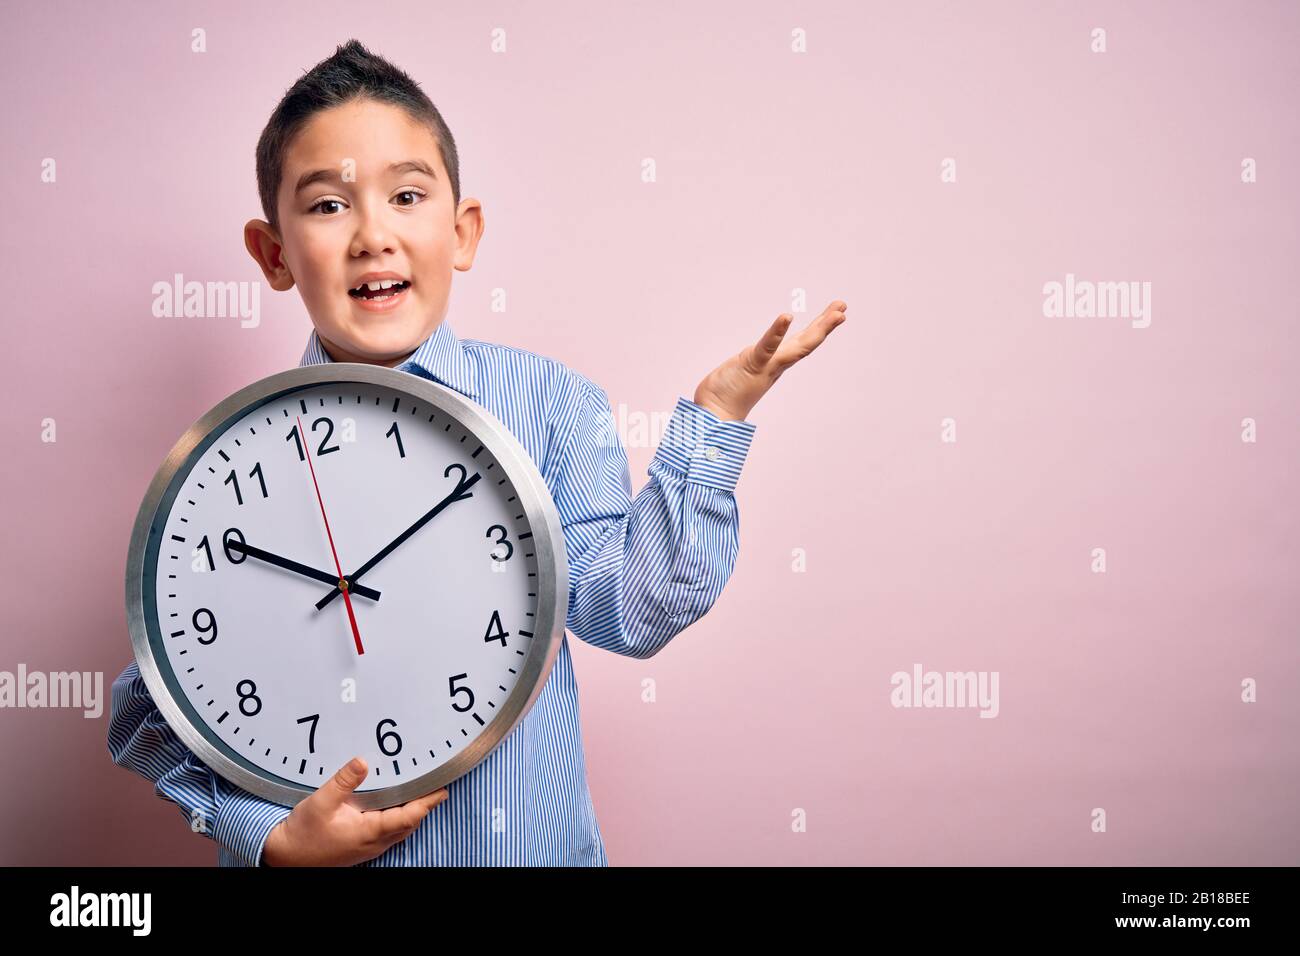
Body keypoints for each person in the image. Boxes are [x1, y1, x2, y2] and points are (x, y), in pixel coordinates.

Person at [107, 39, 847, 867]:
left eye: (406, 196)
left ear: (462, 233)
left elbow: (631, 611)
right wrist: (268, 839)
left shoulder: (554, 404)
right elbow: (148, 708)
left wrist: (716, 419)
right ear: (273, 254)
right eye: (328, 206)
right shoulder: (225, 463)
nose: (373, 236)